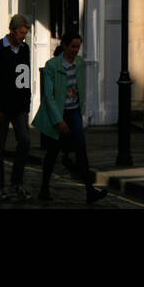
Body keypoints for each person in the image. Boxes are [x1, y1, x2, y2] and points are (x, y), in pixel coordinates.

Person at [32, 30, 106, 204]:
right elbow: (48, 96)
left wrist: (82, 110)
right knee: (52, 153)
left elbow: (79, 87)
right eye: (73, 46)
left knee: (81, 151)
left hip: (73, 112)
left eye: (78, 47)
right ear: (64, 46)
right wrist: (58, 120)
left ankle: (89, 191)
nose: (75, 50)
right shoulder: (52, 66)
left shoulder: (79, 63)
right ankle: (44, 188)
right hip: (58, 113)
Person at [0, 14, 32, 203]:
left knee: (25, 142)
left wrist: (27, 102)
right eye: (21, 33)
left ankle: (17, 182)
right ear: (12, 31)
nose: (24, 36)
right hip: (1, 107)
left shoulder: (24, 49)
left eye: (25, 33)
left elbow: (25, 75)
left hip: (19, 106)